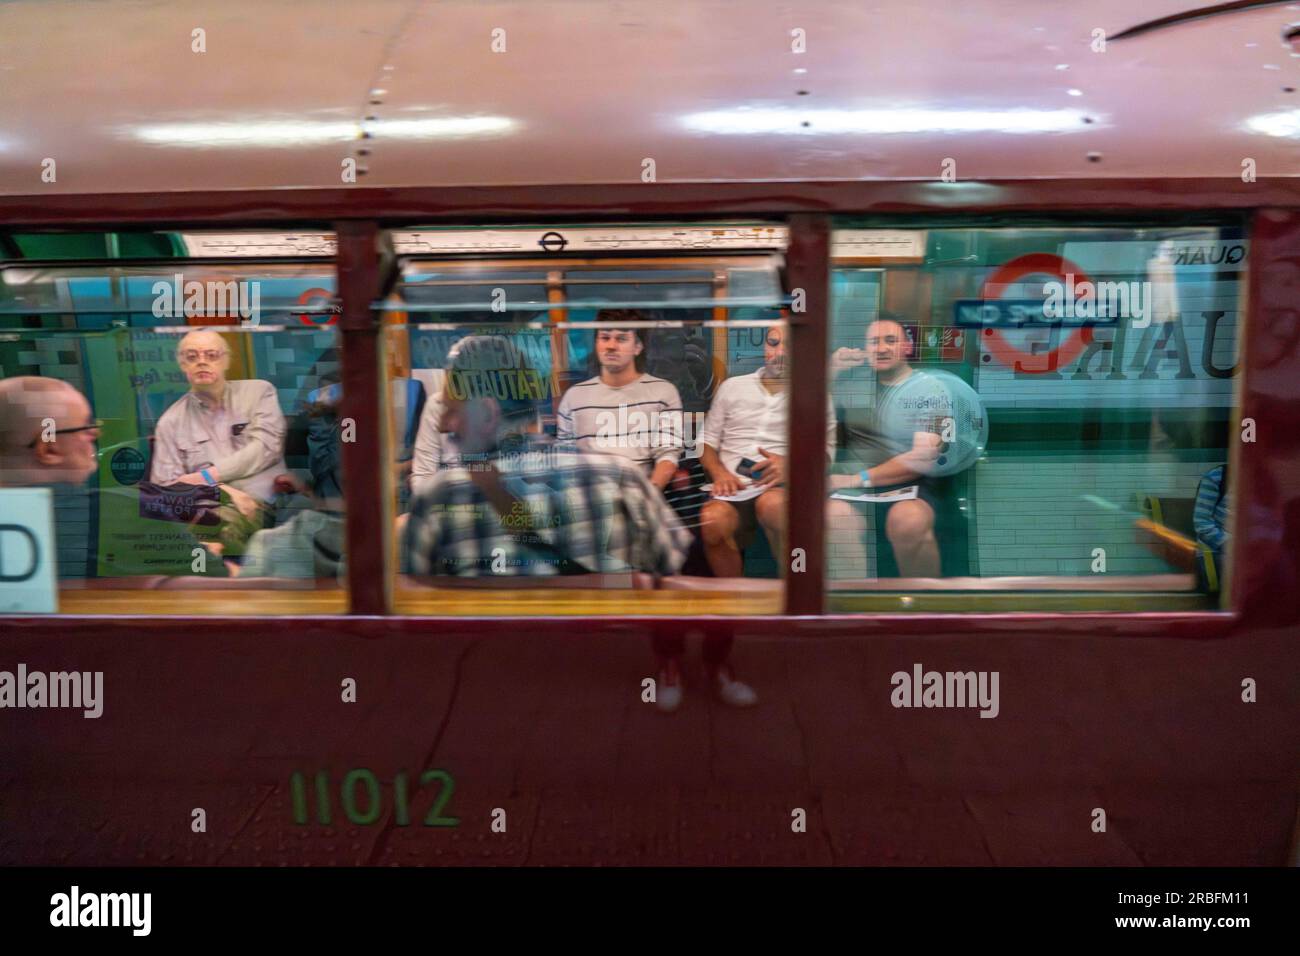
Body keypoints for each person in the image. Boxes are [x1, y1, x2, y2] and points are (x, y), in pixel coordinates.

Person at [404, 334, 691, 578]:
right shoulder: (622, 477)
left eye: (452, 411)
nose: (444, 425)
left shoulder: (438, 499)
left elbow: (413, 609)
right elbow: (668, 577)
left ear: (488, 413)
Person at [0, 376, 226, 579]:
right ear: (49, 450)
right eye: (85, 427)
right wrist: (197, 555)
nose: (96, 433)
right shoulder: (127, 512)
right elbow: (220, 577)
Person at [830, 315, 948, 578]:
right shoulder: (852, 383)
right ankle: (855, 610)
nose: (881, 348)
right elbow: (805, 407)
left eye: (890, 340)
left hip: (909, 485)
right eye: (874, 342)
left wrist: (854, 479)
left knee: (908, 521)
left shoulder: (930, 388)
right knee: (833, 517)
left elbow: (923, 458)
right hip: (854, 489)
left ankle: (924, 609)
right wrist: (832, 368)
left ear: (907, 347)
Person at [150, 329, 287, 554]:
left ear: (226, 360)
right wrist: (223, 490)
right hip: (209, 508)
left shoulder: (259, 392)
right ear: (182, 364)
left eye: (211, 355)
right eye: (192, 357)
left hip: (266, 503)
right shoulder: (170, 421)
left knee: (214, 532)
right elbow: (165, 486)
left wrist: (203, 477)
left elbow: (266, 448)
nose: (202, 362)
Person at [556, 309, 683, 492]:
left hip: (639, 495)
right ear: (596, 343)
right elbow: (565, 459)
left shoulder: (663, 392)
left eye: (621, 339)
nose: (611, 346)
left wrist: (647, 499)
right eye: (605, 338)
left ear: (638, 347)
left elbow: (668, 455)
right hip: (590, 498)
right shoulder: (574, 397)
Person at [1193, 462, 1230, 591]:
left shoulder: (1264, 479)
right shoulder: (1217, 477)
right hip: (1218, 552)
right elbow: (1202, 524)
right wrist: (1232, 546)